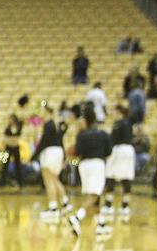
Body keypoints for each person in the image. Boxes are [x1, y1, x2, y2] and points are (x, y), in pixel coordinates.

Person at [69, 105, 111, 240]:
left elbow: (77, 152)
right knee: (94, 196)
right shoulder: (103, 134)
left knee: (94, 197)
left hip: (83, 165)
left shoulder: (81, 135)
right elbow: (109, 151)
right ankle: (77, 217)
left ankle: (101, 225)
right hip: (97, 164)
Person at [36, 105, 69, 221]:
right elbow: (61, 142)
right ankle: (65, 203)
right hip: (58, 152)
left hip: (50, 152)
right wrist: (64, 157)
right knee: (55, 179)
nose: (40, 113)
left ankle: (53, 209)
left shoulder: (48, 124)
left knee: (48, 180)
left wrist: (34, 155)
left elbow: (43, 142)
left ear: (46, 112)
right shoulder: (57, 124)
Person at [105, 103, 137, 221]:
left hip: (119, 150)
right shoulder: (129, 123)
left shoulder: (117, 123)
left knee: (111, 175)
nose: (112, 113)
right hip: (129, 150)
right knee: (126, 177)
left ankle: (108, 205)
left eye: (113, 110)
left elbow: (112, 140)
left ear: (118, 112)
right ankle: (125, 206)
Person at [0, 111, 26, 189]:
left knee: (18, 165)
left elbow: (23, 118)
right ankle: (3, 182)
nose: (9, 120)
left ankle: (20, 182)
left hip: (15, 148)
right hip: (8, 148)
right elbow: (5, 138)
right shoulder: (7, 128)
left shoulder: (19, 126)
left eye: (11, 119)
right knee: (5, 165)